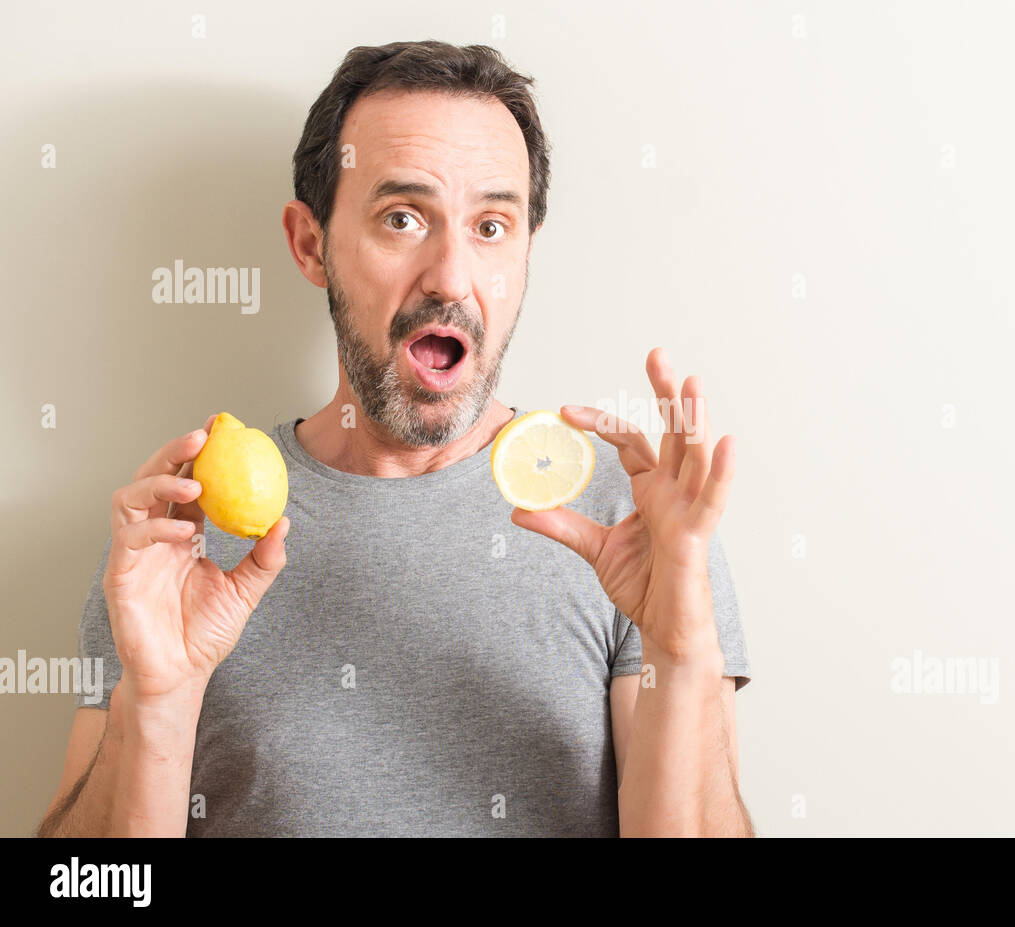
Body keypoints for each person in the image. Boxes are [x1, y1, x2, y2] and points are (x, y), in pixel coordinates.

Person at [38, 40, 753, 837]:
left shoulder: (632, 525)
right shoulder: (185, 537)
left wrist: (682, 652)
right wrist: (158, 702)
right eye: (402, 218)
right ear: (310, 243)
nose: (451, 275)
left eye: (491, 225)